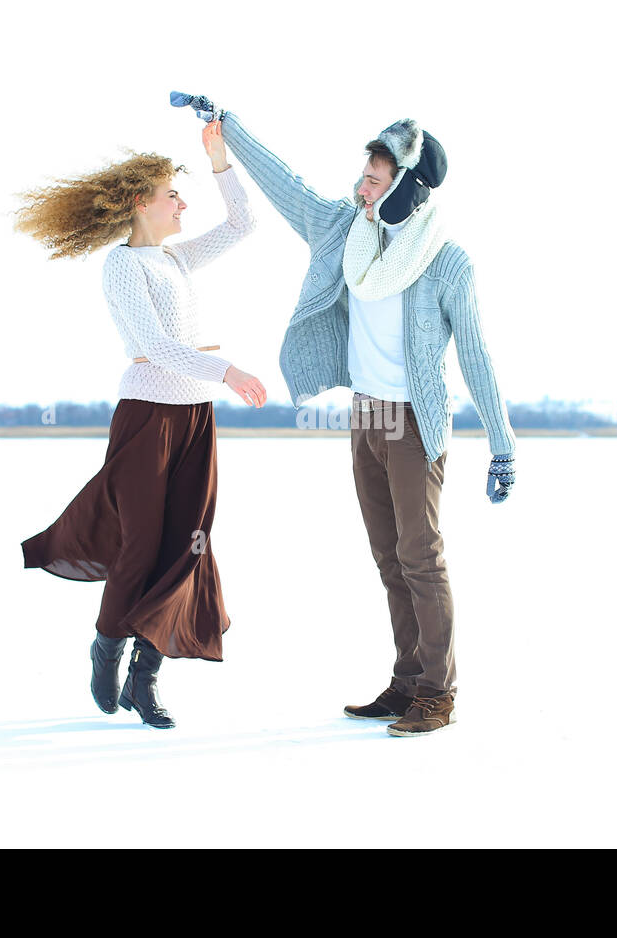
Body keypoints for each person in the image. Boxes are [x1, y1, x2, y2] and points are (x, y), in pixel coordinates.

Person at [171, 92, 517, 737]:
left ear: (405, 189)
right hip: (367, 418)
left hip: (414, 423)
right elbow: (285, 185)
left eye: (375, 180)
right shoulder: (342, 228)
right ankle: (406, 682)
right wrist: (230, 127)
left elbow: (475, 355)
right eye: (362, 176)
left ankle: (437, 694)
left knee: (421, 556)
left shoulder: (446, 263)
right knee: (389, 558)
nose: (360, 187)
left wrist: (503, 447)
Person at [15, 120, 266, 729]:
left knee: (188, 544)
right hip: (147, 417)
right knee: (140, 545)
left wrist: (219, 161)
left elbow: (243, 224)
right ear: (140, 203)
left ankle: (146, 677)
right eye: (172, 194)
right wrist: (227, 370)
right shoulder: (125, 265)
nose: (183, 202)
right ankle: (108, 646)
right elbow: (154, 345)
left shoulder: (175, 258)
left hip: (194, 420)